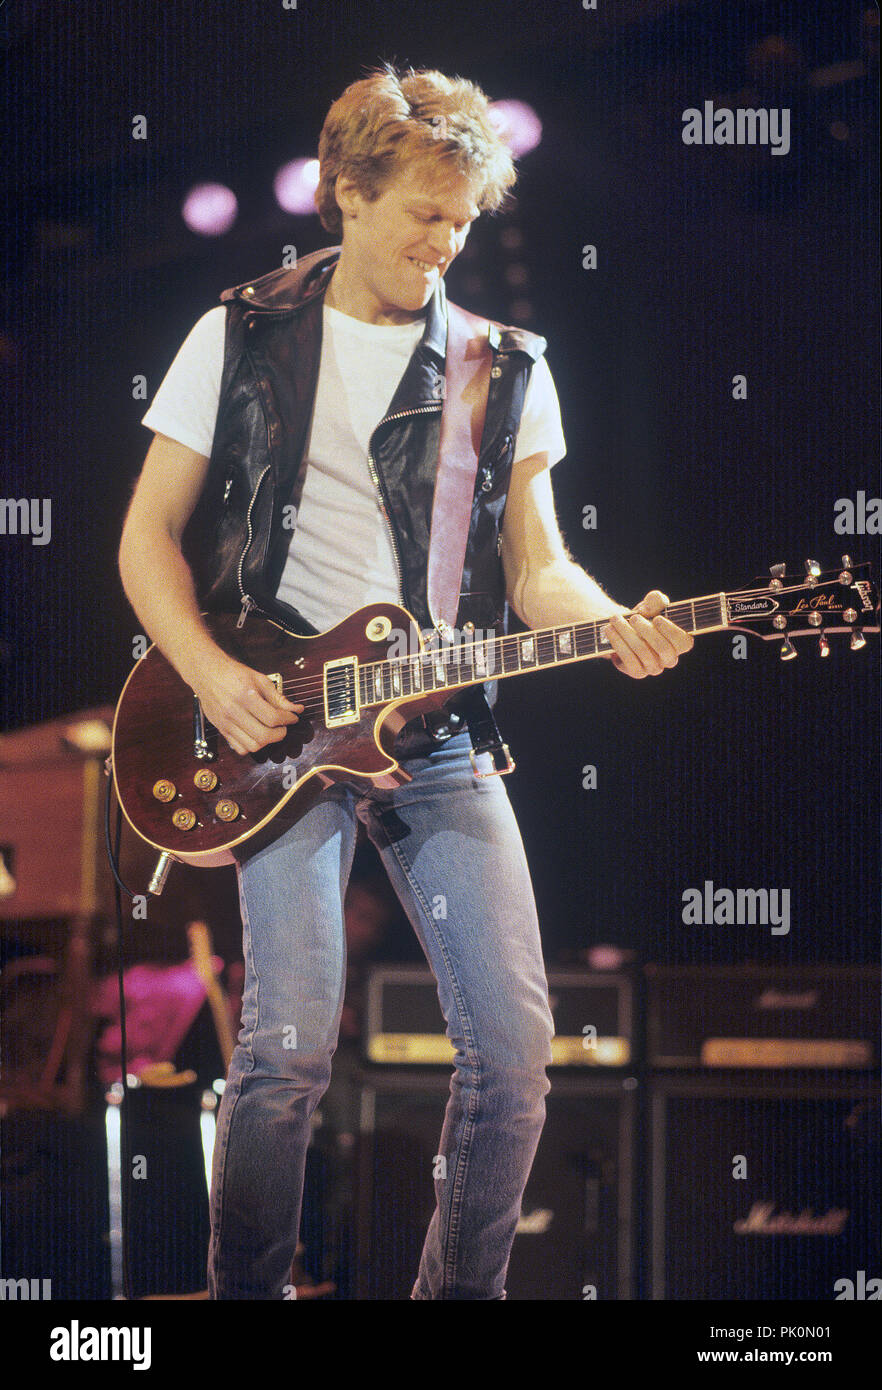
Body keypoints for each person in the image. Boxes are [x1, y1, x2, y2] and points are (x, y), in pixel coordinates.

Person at [118, 64, 694, 1301]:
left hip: (435, 724)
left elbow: (543, 573)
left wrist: (615, 623)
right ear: (348, 195)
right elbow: (143, 536)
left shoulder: (506, 366)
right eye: (426, 211)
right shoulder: (241, 330)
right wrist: (214, 676)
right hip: (276, 726)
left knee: (519, 1054)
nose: (446, 241)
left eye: (464, 220)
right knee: (281, 1050)